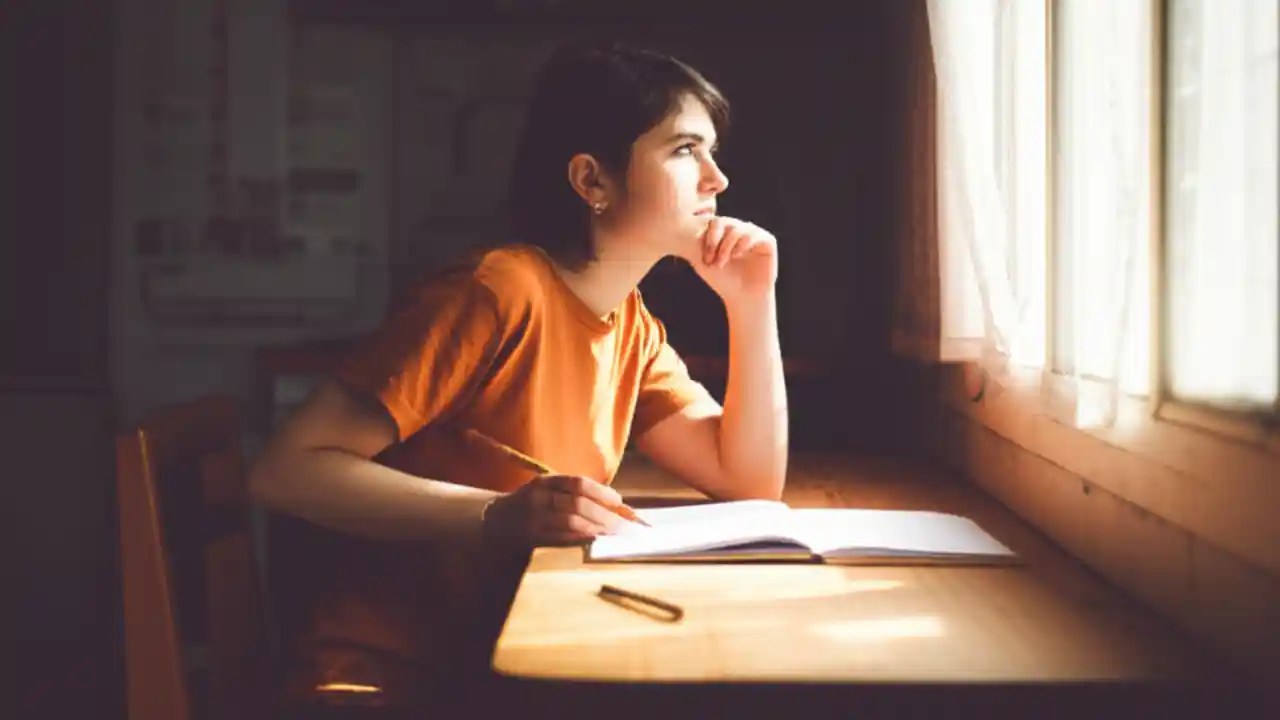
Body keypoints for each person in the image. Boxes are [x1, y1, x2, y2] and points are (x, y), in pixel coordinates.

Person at [249, 41, 788, 709]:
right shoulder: (497, 292)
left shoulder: (629, 321)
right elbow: (285, 469)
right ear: (592, 181)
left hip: (497, 667)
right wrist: (496, 516)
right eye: (684, 150)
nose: (717, 179)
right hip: (385, 681)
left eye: (711, 151)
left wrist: (751, 301)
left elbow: (749, 480)